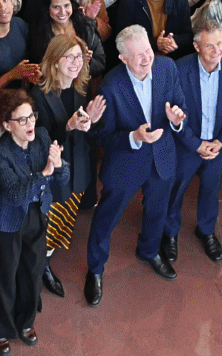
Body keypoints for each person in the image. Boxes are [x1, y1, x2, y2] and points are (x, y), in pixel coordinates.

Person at [82, 24, 187, 306]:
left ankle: (149, 251)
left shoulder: (167, 67)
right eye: (138, 55)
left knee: (157, 210)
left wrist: (178, 120)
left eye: (148, 51)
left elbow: (179, 103)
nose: (146, 58)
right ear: (123, 58)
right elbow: (103, 135)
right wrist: (134, 137)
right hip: (126, 162)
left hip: (161, 157)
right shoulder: (110, 86)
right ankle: (95, 269)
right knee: (107, 217)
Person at [0, 88, 69, 354]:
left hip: (36, 213)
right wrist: (45, 173)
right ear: (7, 125)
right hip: (8, 219)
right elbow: (13, 194)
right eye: (22, 120)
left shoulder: (42, 137)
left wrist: (59, 165)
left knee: (33, 270)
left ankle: (25, 321)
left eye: (31, 116)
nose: (30, 124)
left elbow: (62, 179)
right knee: (3, 276)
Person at [166, 17, 222, 263]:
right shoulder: (179, 69)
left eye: (219, 43)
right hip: (188, 145)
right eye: (210, 46)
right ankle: (169, 233)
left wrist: (221, 142)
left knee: (211, 189)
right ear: (197, 46)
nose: (217, 50)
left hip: (217, 145)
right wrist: (196, 144)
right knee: (176, 189)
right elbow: (175, 114)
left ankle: (206, 230)